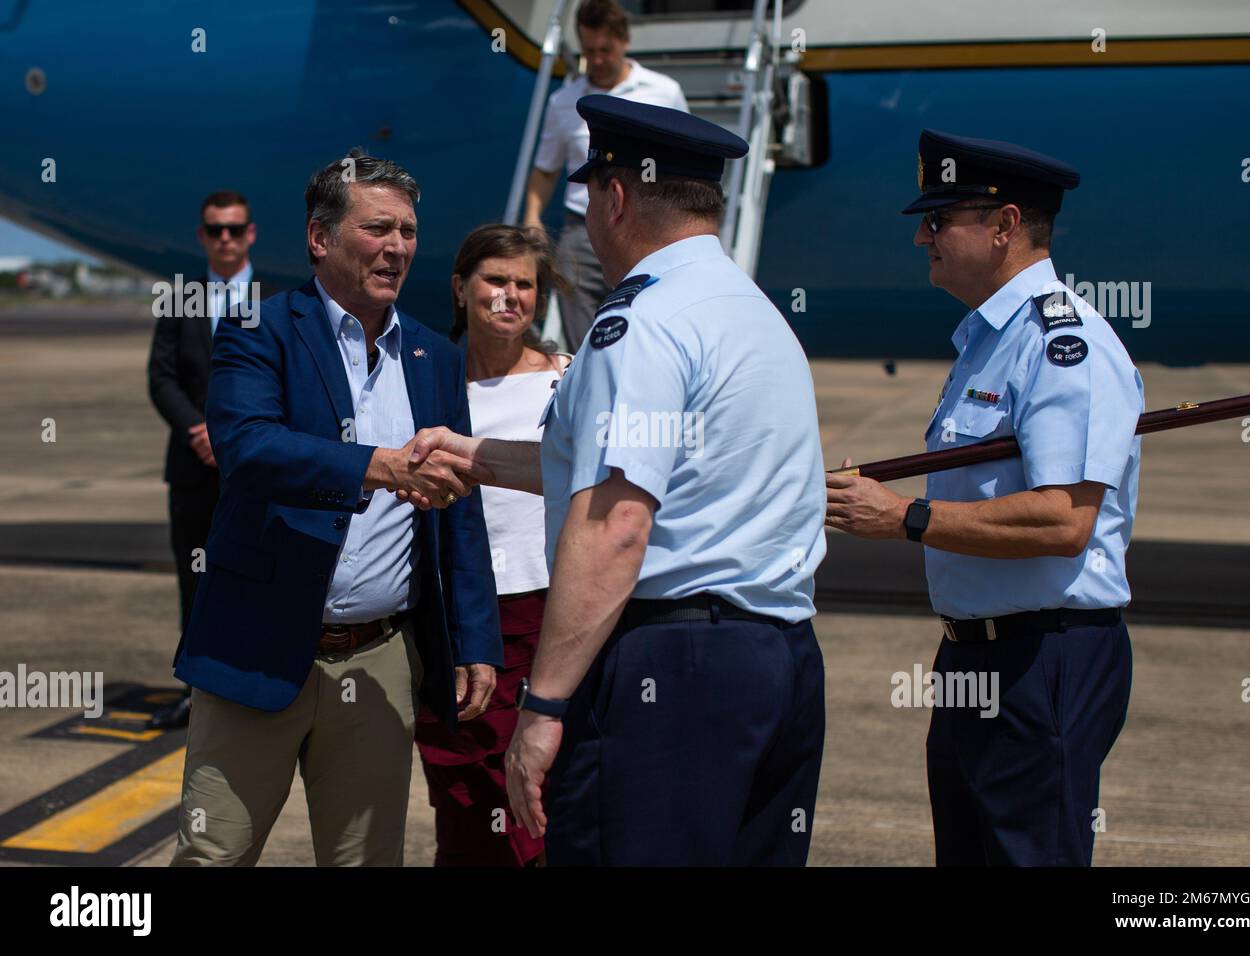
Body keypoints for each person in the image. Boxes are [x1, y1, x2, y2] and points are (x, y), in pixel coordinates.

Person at [405, 96, 828, 866]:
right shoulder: (752, 311)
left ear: (615, 196)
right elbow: (635, 470)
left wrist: (543, 706)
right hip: (780, 660)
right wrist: (475, 456)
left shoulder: (639, 325)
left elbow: (616, 522)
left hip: (674, 670)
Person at [169, 149, 501, 866]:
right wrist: (375, 466)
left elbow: (459, 512)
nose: (399, 247)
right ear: (321, 239)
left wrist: (476, 637)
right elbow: (251, 449)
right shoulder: (261, 331)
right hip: (257, 649)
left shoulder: (434, 357)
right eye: (379, 228)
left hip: (380, 658)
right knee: (214, 855)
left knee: (367, 859)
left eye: (409, 231)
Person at [825, 129, 1143, 866]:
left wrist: (903, 516)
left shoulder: (1064, 345)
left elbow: (1067, 520)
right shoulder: (987, 339)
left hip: (1045, 657)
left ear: (1004, 225)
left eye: (940, 220)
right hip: (978, 655)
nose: (921, 238)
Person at [414, 224, 569, 867]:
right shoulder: (425, 379)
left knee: (544, 797)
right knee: (469, 799)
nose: (510, 296)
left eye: (524, 284)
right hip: (463, 618)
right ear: (459, 288)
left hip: (552, 613)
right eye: (495, 281)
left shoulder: (567, 379)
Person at [145, 190, 269, 730]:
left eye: (234, 229)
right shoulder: (178, 298)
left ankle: (254, 686)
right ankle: (195, 692)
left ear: (250, 234)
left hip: (253, 468)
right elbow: (161, 377)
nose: (225, 238)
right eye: (215, 230)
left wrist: (238, 437)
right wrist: (198, 429)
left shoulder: (277, 301)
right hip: (194, 467)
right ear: (202, 236)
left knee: (258, 576)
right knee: (194, 581)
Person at [524, 0, 688, 350]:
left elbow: (684, 161)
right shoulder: (563, 101)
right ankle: (593, 378)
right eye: (589, 51)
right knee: (581, 323)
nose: (596, 60)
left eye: (605, 50)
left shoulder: (664, 92)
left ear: (624, 41)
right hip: (581, 228)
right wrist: (533, 216)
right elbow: (545, 167)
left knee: (647, 317)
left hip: (645, 227)